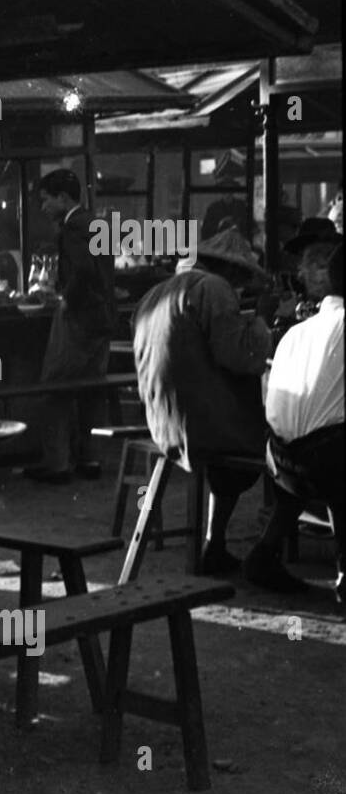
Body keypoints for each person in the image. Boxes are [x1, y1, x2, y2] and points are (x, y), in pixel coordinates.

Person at [133, 227, 278, 575]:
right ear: (229, 270)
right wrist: (262, 318)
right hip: (198, 421)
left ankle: (217, 544)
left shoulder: (156, 293)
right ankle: (267, 552)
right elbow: (239, 357)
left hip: (162, 417)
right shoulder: (213, 288)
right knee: (282, 446)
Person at [244, 240, 344, 596]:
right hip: (326, 463)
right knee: (330, 448)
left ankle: (265, 551)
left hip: (281, 462)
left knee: (314, 440)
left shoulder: (295, 332)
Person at [24, 169, 117, 484]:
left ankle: (58, 464)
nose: (43, 207)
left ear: (64, 198)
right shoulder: (98, 224)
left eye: (46, 200)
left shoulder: (72, 228)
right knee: (92, 390)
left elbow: (82, 270)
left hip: (78, 318)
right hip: (102, 319)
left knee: (55, 388)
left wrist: (65, 299)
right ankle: (90, 459)